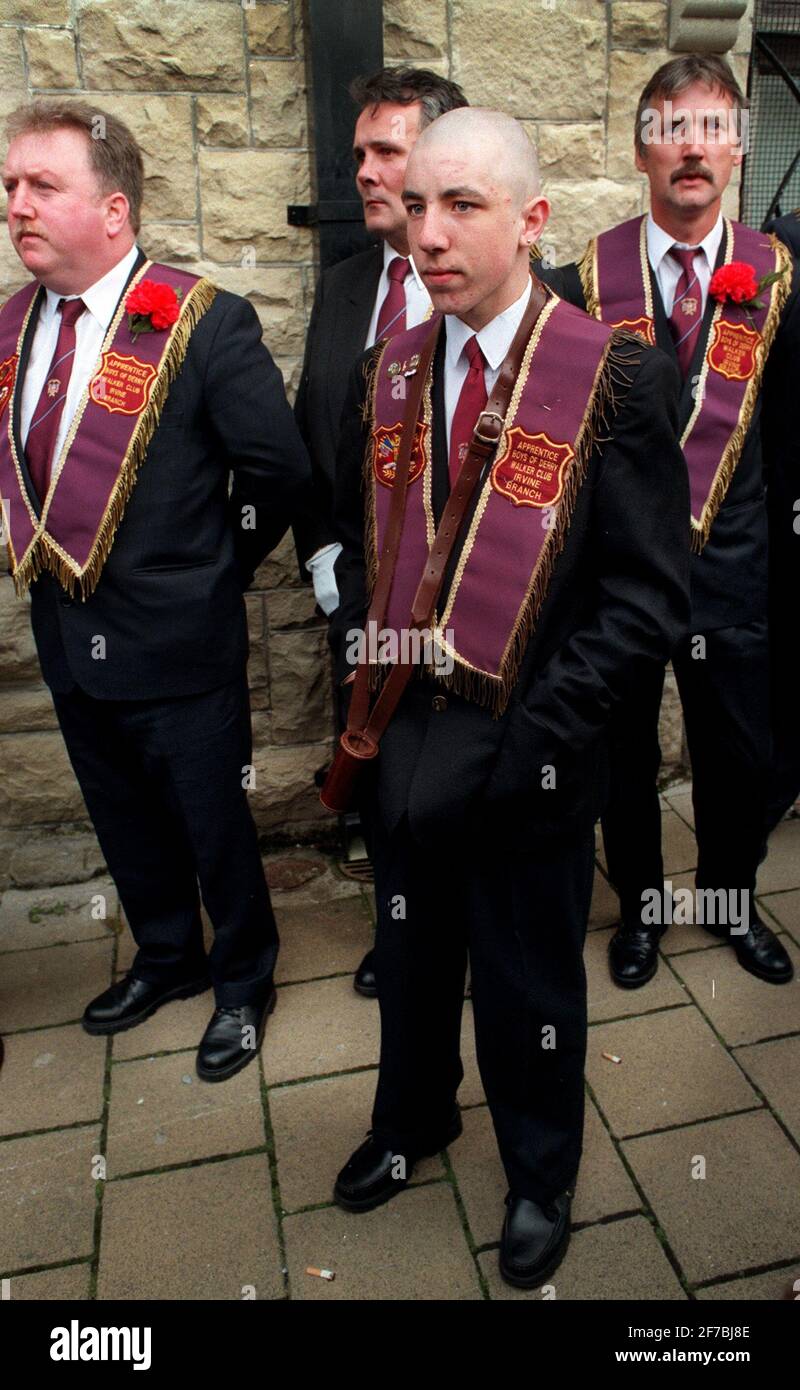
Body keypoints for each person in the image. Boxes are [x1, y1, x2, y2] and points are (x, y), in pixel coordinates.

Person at [328, 107, 690, 1288]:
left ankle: (539, 1171)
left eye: (461, 207)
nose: (427, 234)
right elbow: (369, 544)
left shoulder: (614, 375)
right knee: (409, 948)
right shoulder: (385, 368)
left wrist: (532, 736)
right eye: (416, 206)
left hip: (530, 748)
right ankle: (413, 1117)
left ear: (532, 221)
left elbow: (644, 598)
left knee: (529, 977)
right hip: (401, 732)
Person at [0, 101, 312, 1080]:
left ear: (114, 210)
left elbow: (279, 473)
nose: (16, 206)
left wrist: (214, 565)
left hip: (180, 644)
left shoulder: (205, 321)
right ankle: (167, 956)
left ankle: (243, 977)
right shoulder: (10, 327)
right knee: (122, 817)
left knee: (212, 823)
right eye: (10, 187)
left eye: (42, 186)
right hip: (68, 632)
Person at [538, 55, 799, 988]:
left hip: (734, 577)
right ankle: (641, 912)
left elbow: (788, 435)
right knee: (624, 758)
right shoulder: (581, 281)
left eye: (712, 128)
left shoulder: (778, 279)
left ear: (737, 149)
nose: (692, 147)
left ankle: (731, 900)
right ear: (643, 149)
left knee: (738, 760)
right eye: (671, 128)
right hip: (622, 580)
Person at [294, 66, 468, 999]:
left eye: (385, 151)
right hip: (366, 607)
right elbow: (309, 429)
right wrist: (324, 555)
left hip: (478, 609)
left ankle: (484, 925)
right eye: (359, 153)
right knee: (387, 786)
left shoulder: (526, 291)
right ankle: (404, 934)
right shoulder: (346, 285)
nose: (363, 171)